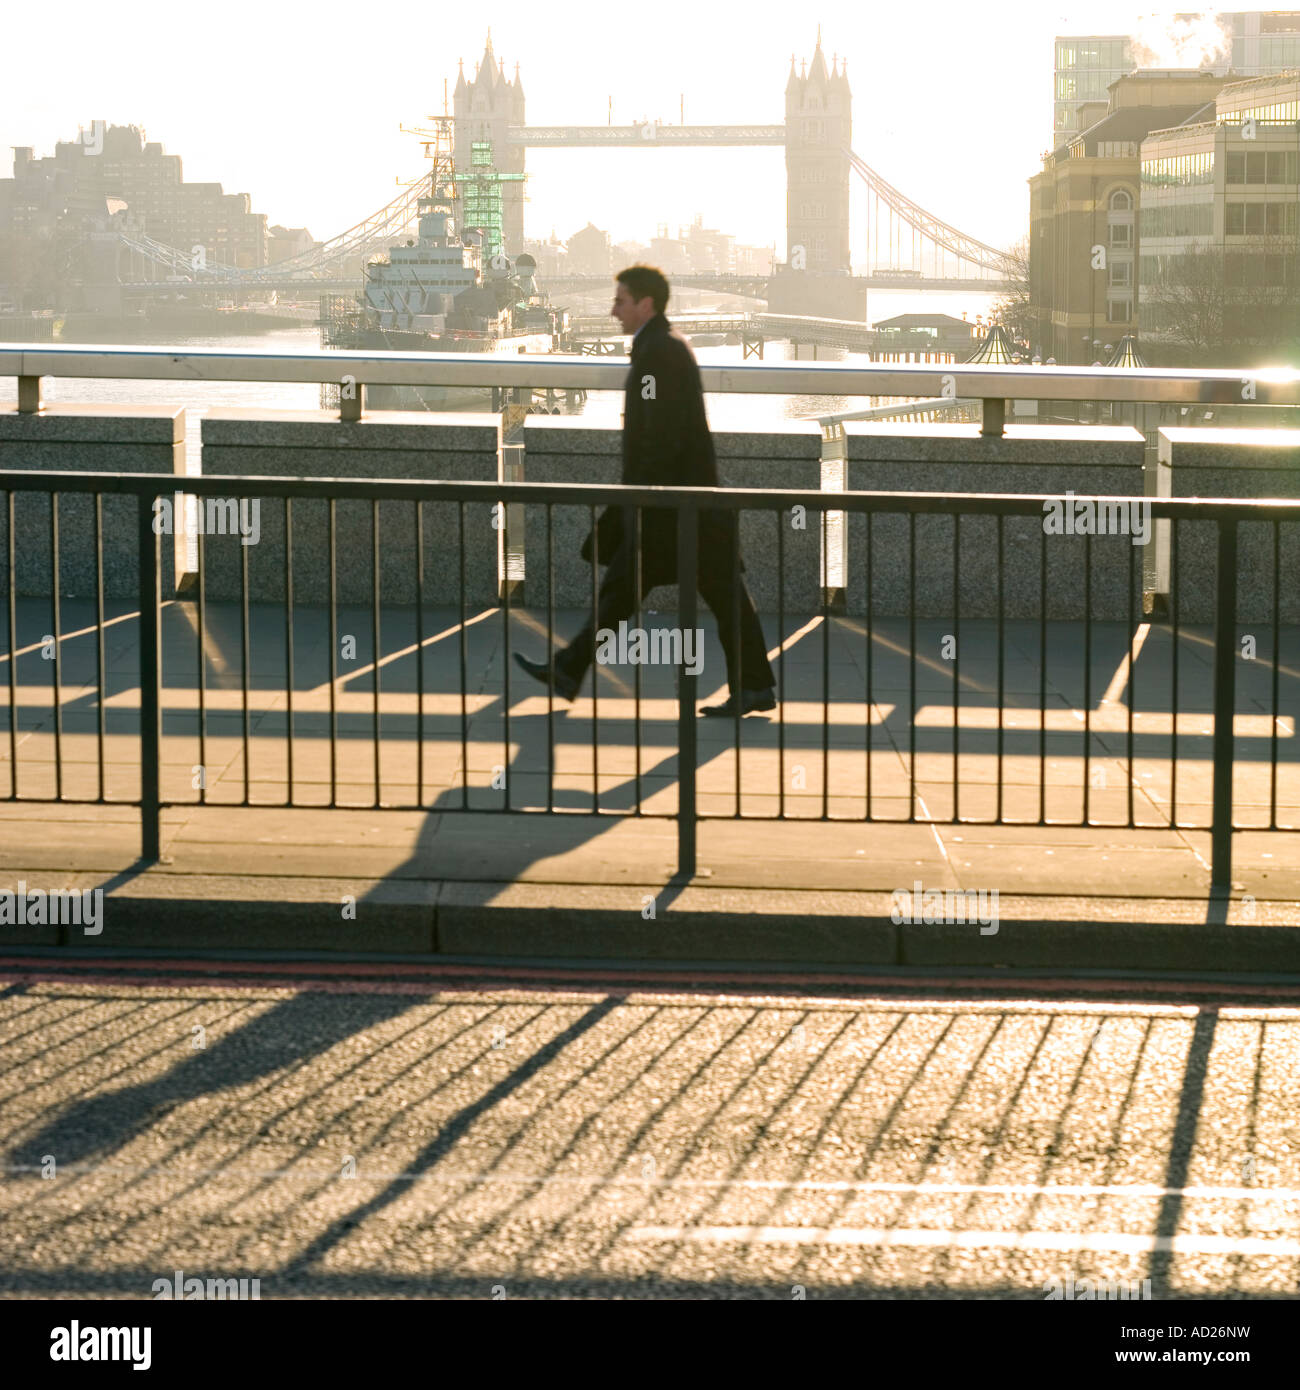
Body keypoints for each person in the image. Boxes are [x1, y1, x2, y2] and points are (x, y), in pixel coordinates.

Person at [514, 264, 776, 717]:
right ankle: (753, 687)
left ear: (645, 304)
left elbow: (660, 433)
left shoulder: (658, 353)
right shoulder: (663, 346)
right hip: (688, 503)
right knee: (709, 594)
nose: (613, 310)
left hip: (672, 506)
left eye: (621, 301)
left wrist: (642, 495)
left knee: (636, 591)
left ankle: (569, 669)